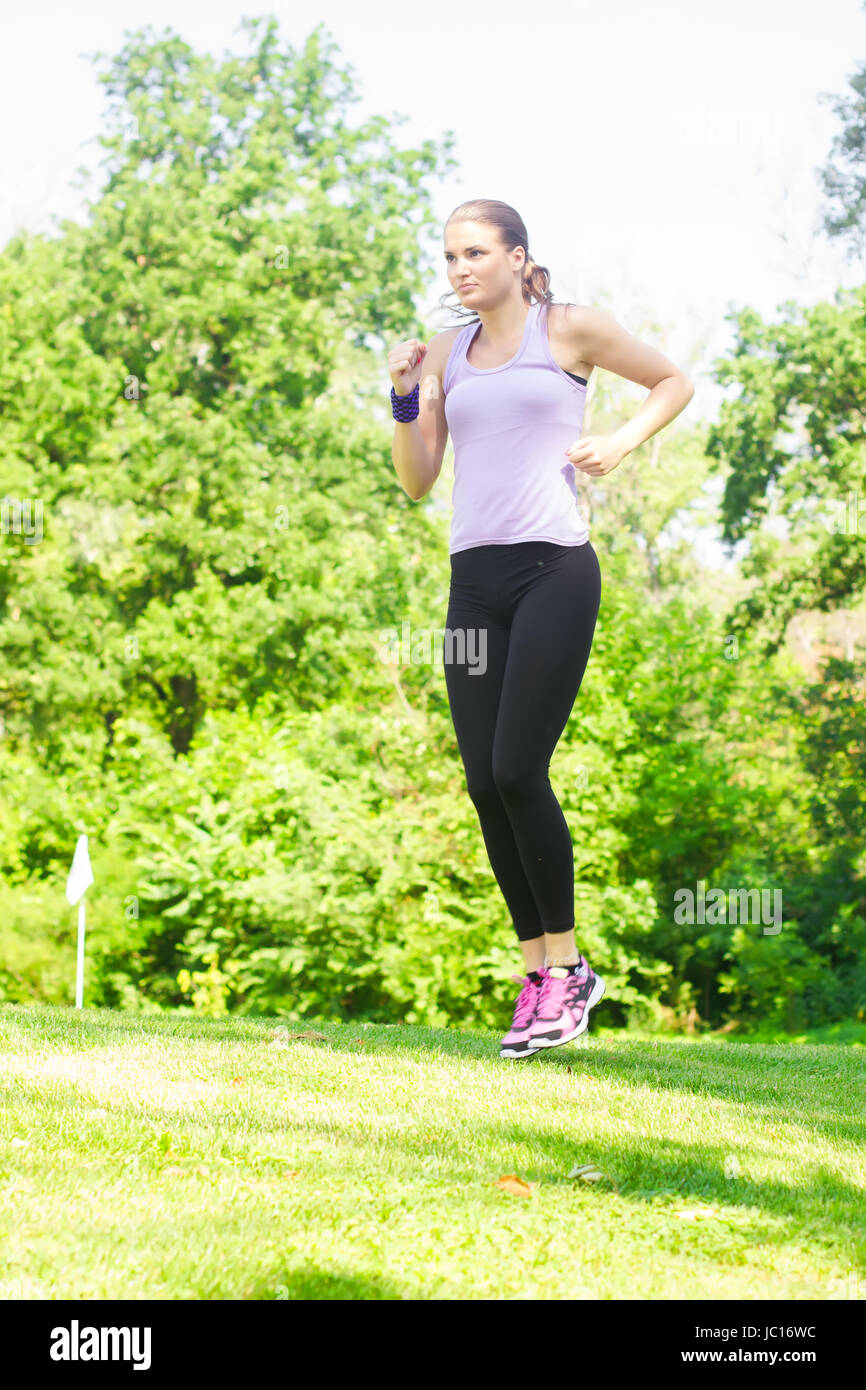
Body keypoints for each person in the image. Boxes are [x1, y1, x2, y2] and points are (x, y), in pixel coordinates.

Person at [388, 199, 694, 1059]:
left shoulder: (570, 330)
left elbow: (674, 380)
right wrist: (405, 398)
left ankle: (569, 967)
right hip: (472, 584)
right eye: (450, 255)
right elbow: (418, 480)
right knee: (485, 782)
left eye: (476, 252)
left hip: (555, 570)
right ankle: (538, 978)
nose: (459, 269)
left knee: (521, 766)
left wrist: (624, 441)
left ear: (519, 257)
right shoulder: (445, 352)